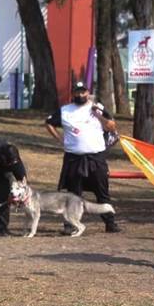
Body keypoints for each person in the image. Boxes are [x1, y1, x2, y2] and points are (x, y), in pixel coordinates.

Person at [45, 81, 119, 233]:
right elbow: (48, 123)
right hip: (74, 158)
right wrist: (59, 139)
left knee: (102, 192)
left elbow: (112, 126)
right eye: (77, 92)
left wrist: (99, 115)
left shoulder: (98, 107)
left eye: (83, 92)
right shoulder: (65, 110)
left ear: (88, 92)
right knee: (73, 194)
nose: (80, 95)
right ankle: (70, 224)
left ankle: (110, 223)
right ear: (72, 93)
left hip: (96, 157)